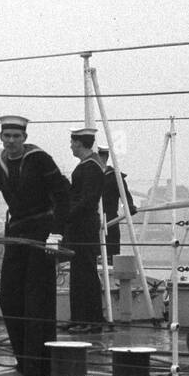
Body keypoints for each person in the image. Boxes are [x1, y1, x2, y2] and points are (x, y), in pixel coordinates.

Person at [0, 114, 71, 376]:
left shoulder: (39, 158)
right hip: (16, 232)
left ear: (24, 138)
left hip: (41, 232)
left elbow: (63, 194)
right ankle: (23, 360)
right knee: (10, 297)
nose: (11, 141)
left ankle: (39, 370)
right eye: (7, 136)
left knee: (37, 301)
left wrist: (57, 232)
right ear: (1, 138)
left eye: (16, 137)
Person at [64, 128, 106, 330]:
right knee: (80, 271)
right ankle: (80, 318)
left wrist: (66, 214)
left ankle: (90, 319)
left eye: (72, 143)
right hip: (81, 224)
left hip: (84, 224)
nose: (71, 146)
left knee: (85, 272)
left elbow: (87, 200)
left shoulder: (90, 167)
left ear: (79, 143)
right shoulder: (89, 165)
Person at [96, 147, 138, 263]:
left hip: (110, 216)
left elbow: (125, 194)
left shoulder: (114, 176)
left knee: (111, 248)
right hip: (93, 217)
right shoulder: (91, 174)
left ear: (103, 157)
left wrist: (129, 206)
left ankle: (110, 262)